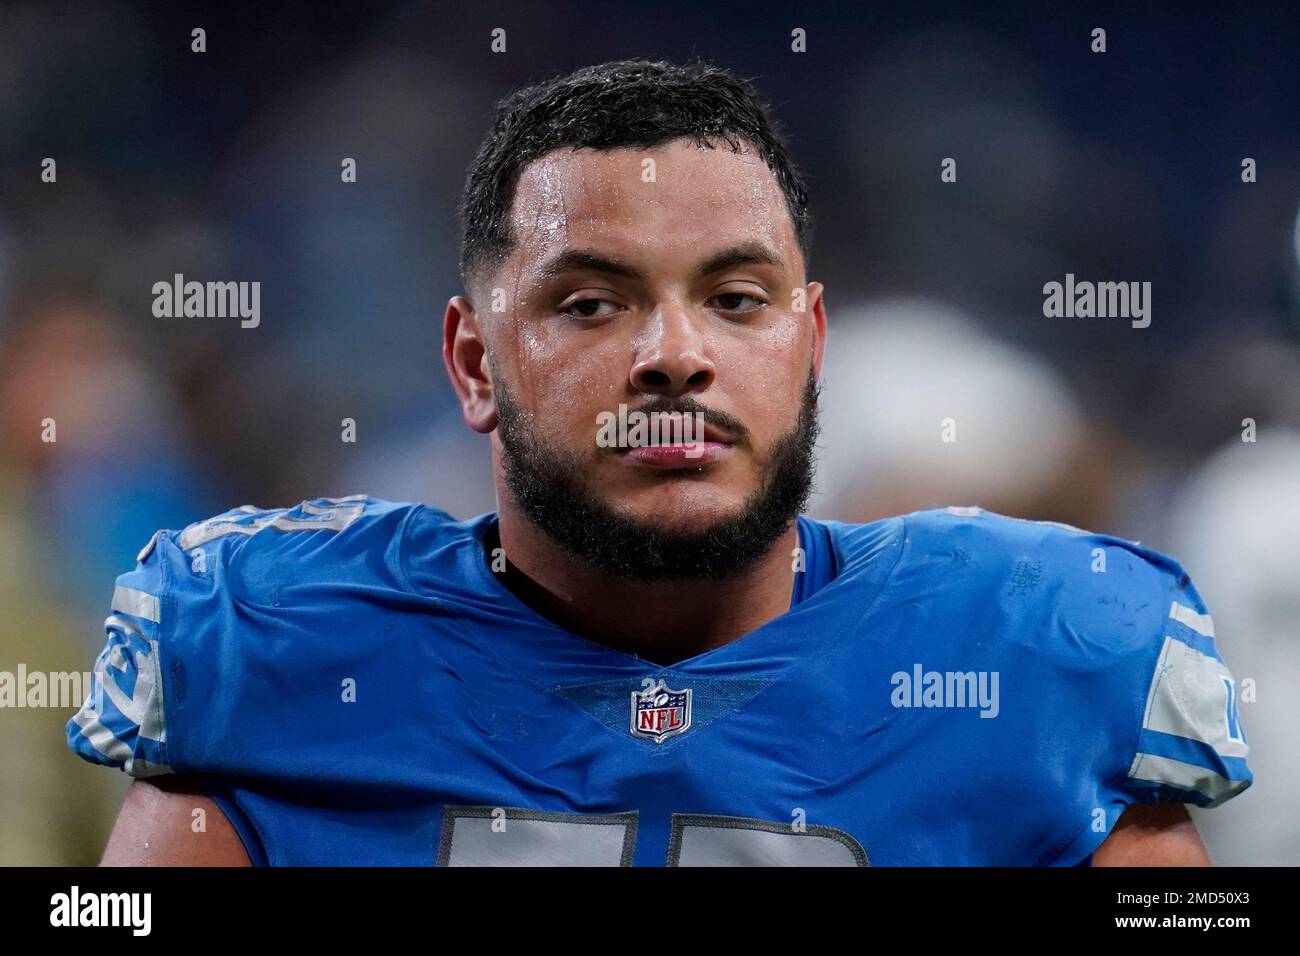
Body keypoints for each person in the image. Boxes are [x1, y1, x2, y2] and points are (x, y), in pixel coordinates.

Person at [68, 59, 1250, 866]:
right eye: (590, 303)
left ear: (810, 346)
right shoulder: (267, 653)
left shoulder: (1042, 655)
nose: (674, 355)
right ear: (475, 363)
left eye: (736, 299)